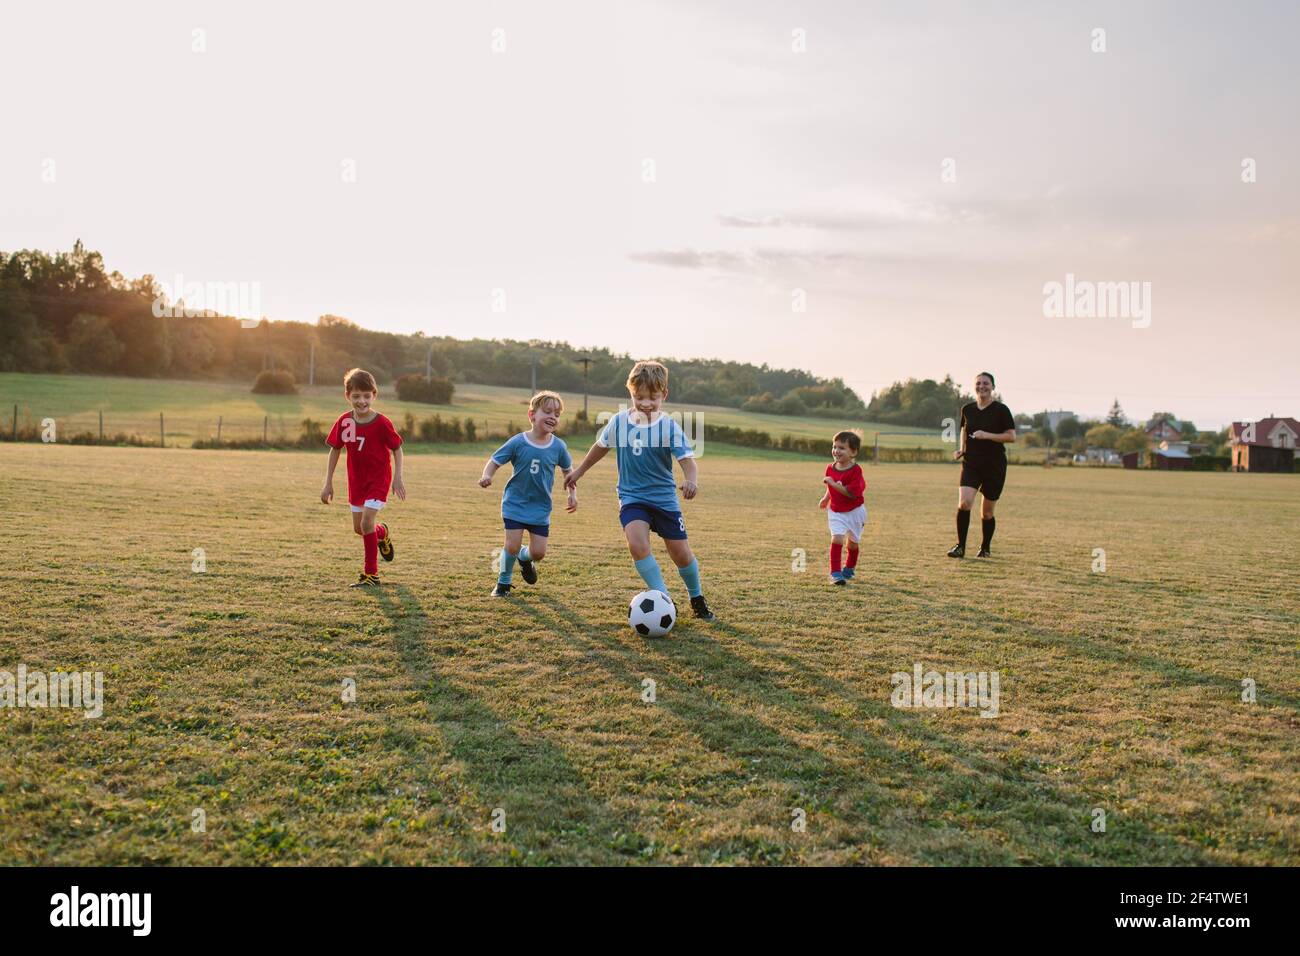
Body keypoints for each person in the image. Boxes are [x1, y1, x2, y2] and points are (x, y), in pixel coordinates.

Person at [565, 360, 715, 621]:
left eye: (652, 398)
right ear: (630, 393)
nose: (646, 403)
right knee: (636, 544)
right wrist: (579, 472)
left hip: (664, 499)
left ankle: (696, 597)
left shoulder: (668, 426)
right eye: (639, 397)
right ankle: (663, 597)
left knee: (681, 554)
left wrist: (691, 480)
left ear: (664, 395)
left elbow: (687, 462)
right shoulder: (619, 422)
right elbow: (600, 447)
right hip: (632, 496)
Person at [479, 391, 577, 597]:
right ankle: (503, 584)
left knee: (539, 553)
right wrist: (487, 475)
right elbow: (495, 460)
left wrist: (572, 494)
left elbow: (568, 471)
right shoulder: (518, 442)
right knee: (511, 545)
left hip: (540, 507)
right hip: (515, 502)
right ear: (532, 415)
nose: (553, 417)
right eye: (548, 412)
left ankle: (525, 558)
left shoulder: (558, 446)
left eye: (557, 414)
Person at [321, 368, 406, 587]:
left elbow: (397, 449)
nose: (362, 401)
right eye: (356, 396)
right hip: (356, 481)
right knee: (360, 528)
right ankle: (382, 533)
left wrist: (398, 477)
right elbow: (335, 449)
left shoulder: (382, 422)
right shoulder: (344, 421)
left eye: (366, 396)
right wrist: (328, 482)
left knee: (367, 521)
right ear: (348, 396)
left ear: (374, 395)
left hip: (378, 479)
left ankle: (371, 575)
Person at [949, 371, 1015, 558]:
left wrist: (987, 435)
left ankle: (985, 548)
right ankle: (960, 546)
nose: (982, 387)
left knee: (987, 513)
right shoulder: (967, 409)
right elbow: (964, 429)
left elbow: (1011, 436)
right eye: (978, 383)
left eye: (986, 383)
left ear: (993, 387)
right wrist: (962, 448)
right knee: (964, 502)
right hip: (971, 463)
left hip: (994, 466)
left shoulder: (1001, 410)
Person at [819, 430, 867, 585]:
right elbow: (830, 487)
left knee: (852, 543)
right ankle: (835, 573)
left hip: (855, 512)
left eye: (841, 448)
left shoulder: (856, 471)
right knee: (837, 538)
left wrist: (833, 484)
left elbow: (851, 493)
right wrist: (826, 498)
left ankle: (850, 567)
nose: (836, 451)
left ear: (853, 452)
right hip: (836, 511)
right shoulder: (830, 468)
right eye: (835, 446)